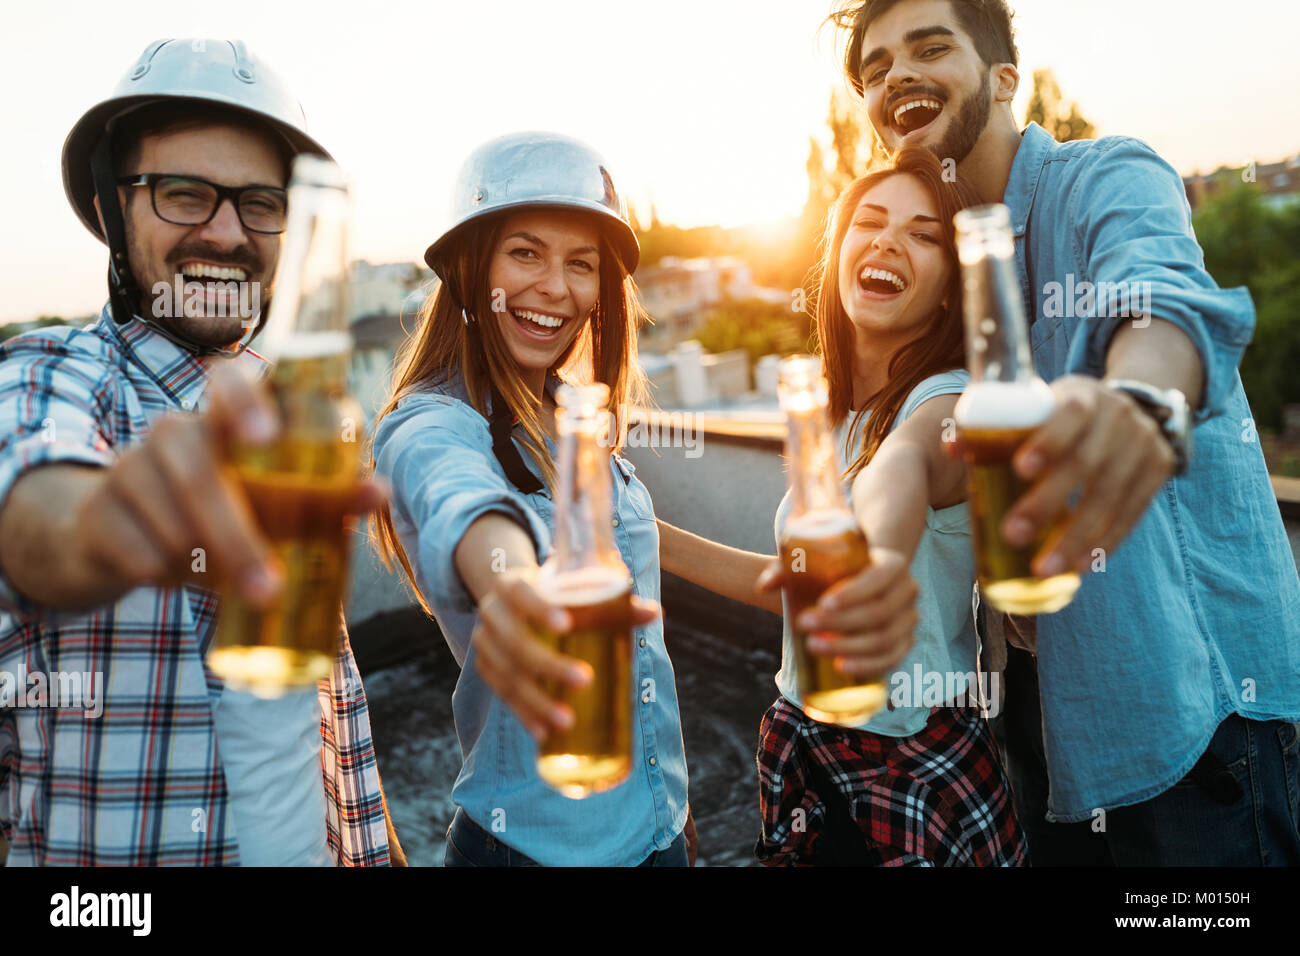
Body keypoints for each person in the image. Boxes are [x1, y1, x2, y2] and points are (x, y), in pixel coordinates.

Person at [832, 0, 1300, 864]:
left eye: (930, 48)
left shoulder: (1106, 176)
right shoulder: (943, 264)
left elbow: (1161, 294)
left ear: (1006, 77)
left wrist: (1138, 404)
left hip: (1194, 722)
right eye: (874, 68)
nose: (896, 75)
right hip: (1047, 732)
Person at [0, 38, 403, 866]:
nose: (226, 232)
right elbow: (37, 519)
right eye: (186, 194)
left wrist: (383, 848)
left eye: (261, 202)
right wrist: (120, 520)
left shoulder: (298, 417)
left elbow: (325, 687)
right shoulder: (51, 376)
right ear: (115, 211)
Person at [657, 148, 1025, 865]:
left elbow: (905, 469)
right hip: (810, 749)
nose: (889, 240)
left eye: (923, 234)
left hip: (913, 772)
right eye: (870, 221)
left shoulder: (946, 402)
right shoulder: (836, 420)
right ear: (839, 252)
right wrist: (646, 535)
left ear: (952, 287)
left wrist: (877, 560)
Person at [370, 131, 692, 867]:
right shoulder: (430, 423)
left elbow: (625, 541)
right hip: (530, 852)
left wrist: (670, 807)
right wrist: (516, 589)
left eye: (581, 264)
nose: (556, 286)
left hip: (655, 829)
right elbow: (465, 505)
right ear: (467, 270)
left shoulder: (570, 413)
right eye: (525, 253)